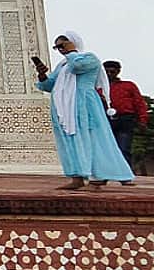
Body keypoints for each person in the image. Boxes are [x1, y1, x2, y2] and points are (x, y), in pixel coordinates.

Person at [33, 32, 134, 189]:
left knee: (96, 140)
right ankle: (77, 176)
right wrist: (42, 74)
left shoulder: (88, 58)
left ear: (73, 42)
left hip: (85, 106)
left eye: (62, 45)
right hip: (66, 109)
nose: (60, 49)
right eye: (57, 47)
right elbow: (48, 86)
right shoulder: (63, 66)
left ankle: (110, 174)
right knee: (71, 141)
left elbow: (77, 67)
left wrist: (72, 52)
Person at [101, 60, 147, 168]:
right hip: (105, 120)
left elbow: (139, 103)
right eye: (106, 72)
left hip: (125, 120)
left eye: (112, 72)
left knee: (123, 148)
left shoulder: (128, 85)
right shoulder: (98, 88)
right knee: (106, 149)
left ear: (118, 71)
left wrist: (143, 120)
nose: (109, 74)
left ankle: (125, 173)